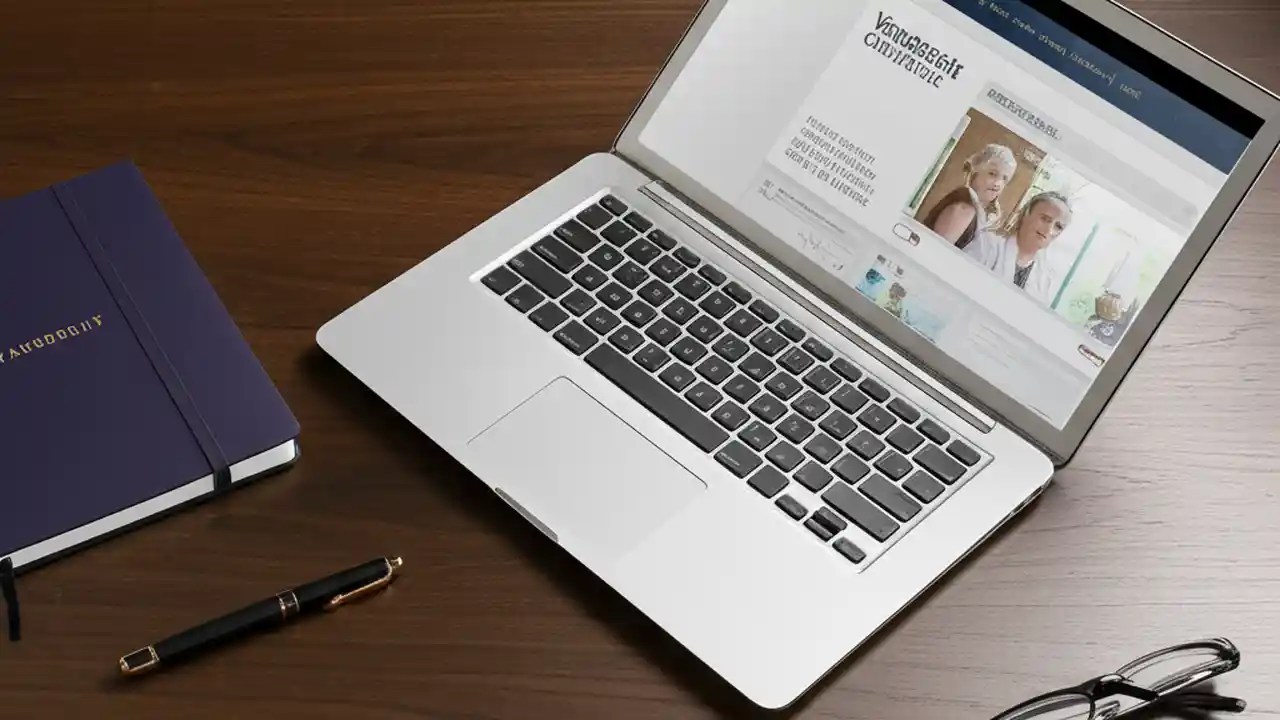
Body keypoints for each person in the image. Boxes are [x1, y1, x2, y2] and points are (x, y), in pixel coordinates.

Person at [965, 191, 1072, 305]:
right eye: (1045, 219)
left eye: (1058, 226)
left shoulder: (1044, 280)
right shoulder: (987, 244)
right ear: (1025, 214)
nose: (1049, 230)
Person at [921, 144, 1017, 250]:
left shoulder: (977, 212)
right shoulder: (964, 209)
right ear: (976, 171)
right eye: (992, 174)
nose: (998, 183)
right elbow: (933, 251)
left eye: (1004, 178)